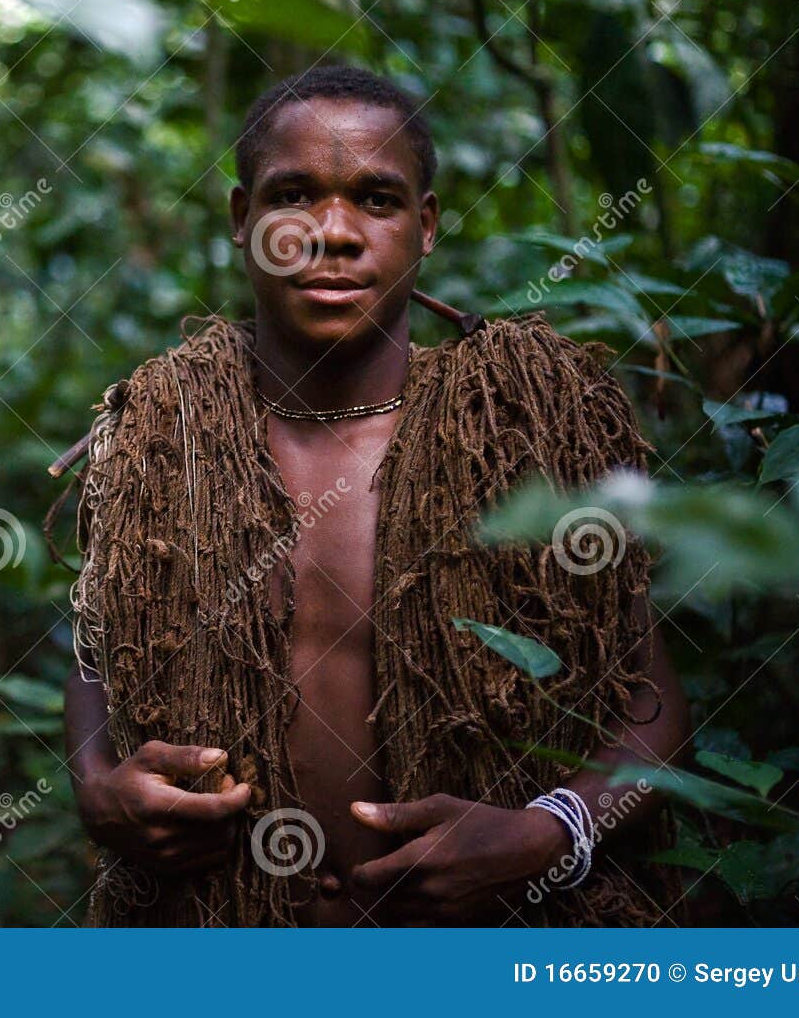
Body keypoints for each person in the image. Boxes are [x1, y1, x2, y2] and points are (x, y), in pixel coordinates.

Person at [56, 65, 688, 927]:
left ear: (425, 227)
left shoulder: (525, 426)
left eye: (377, 200)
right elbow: (94, 656)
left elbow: (652, 706)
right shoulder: (162, 436)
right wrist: (98, 785)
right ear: (245, 220)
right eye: (294, 195)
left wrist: (547, 835)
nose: (334, 232)